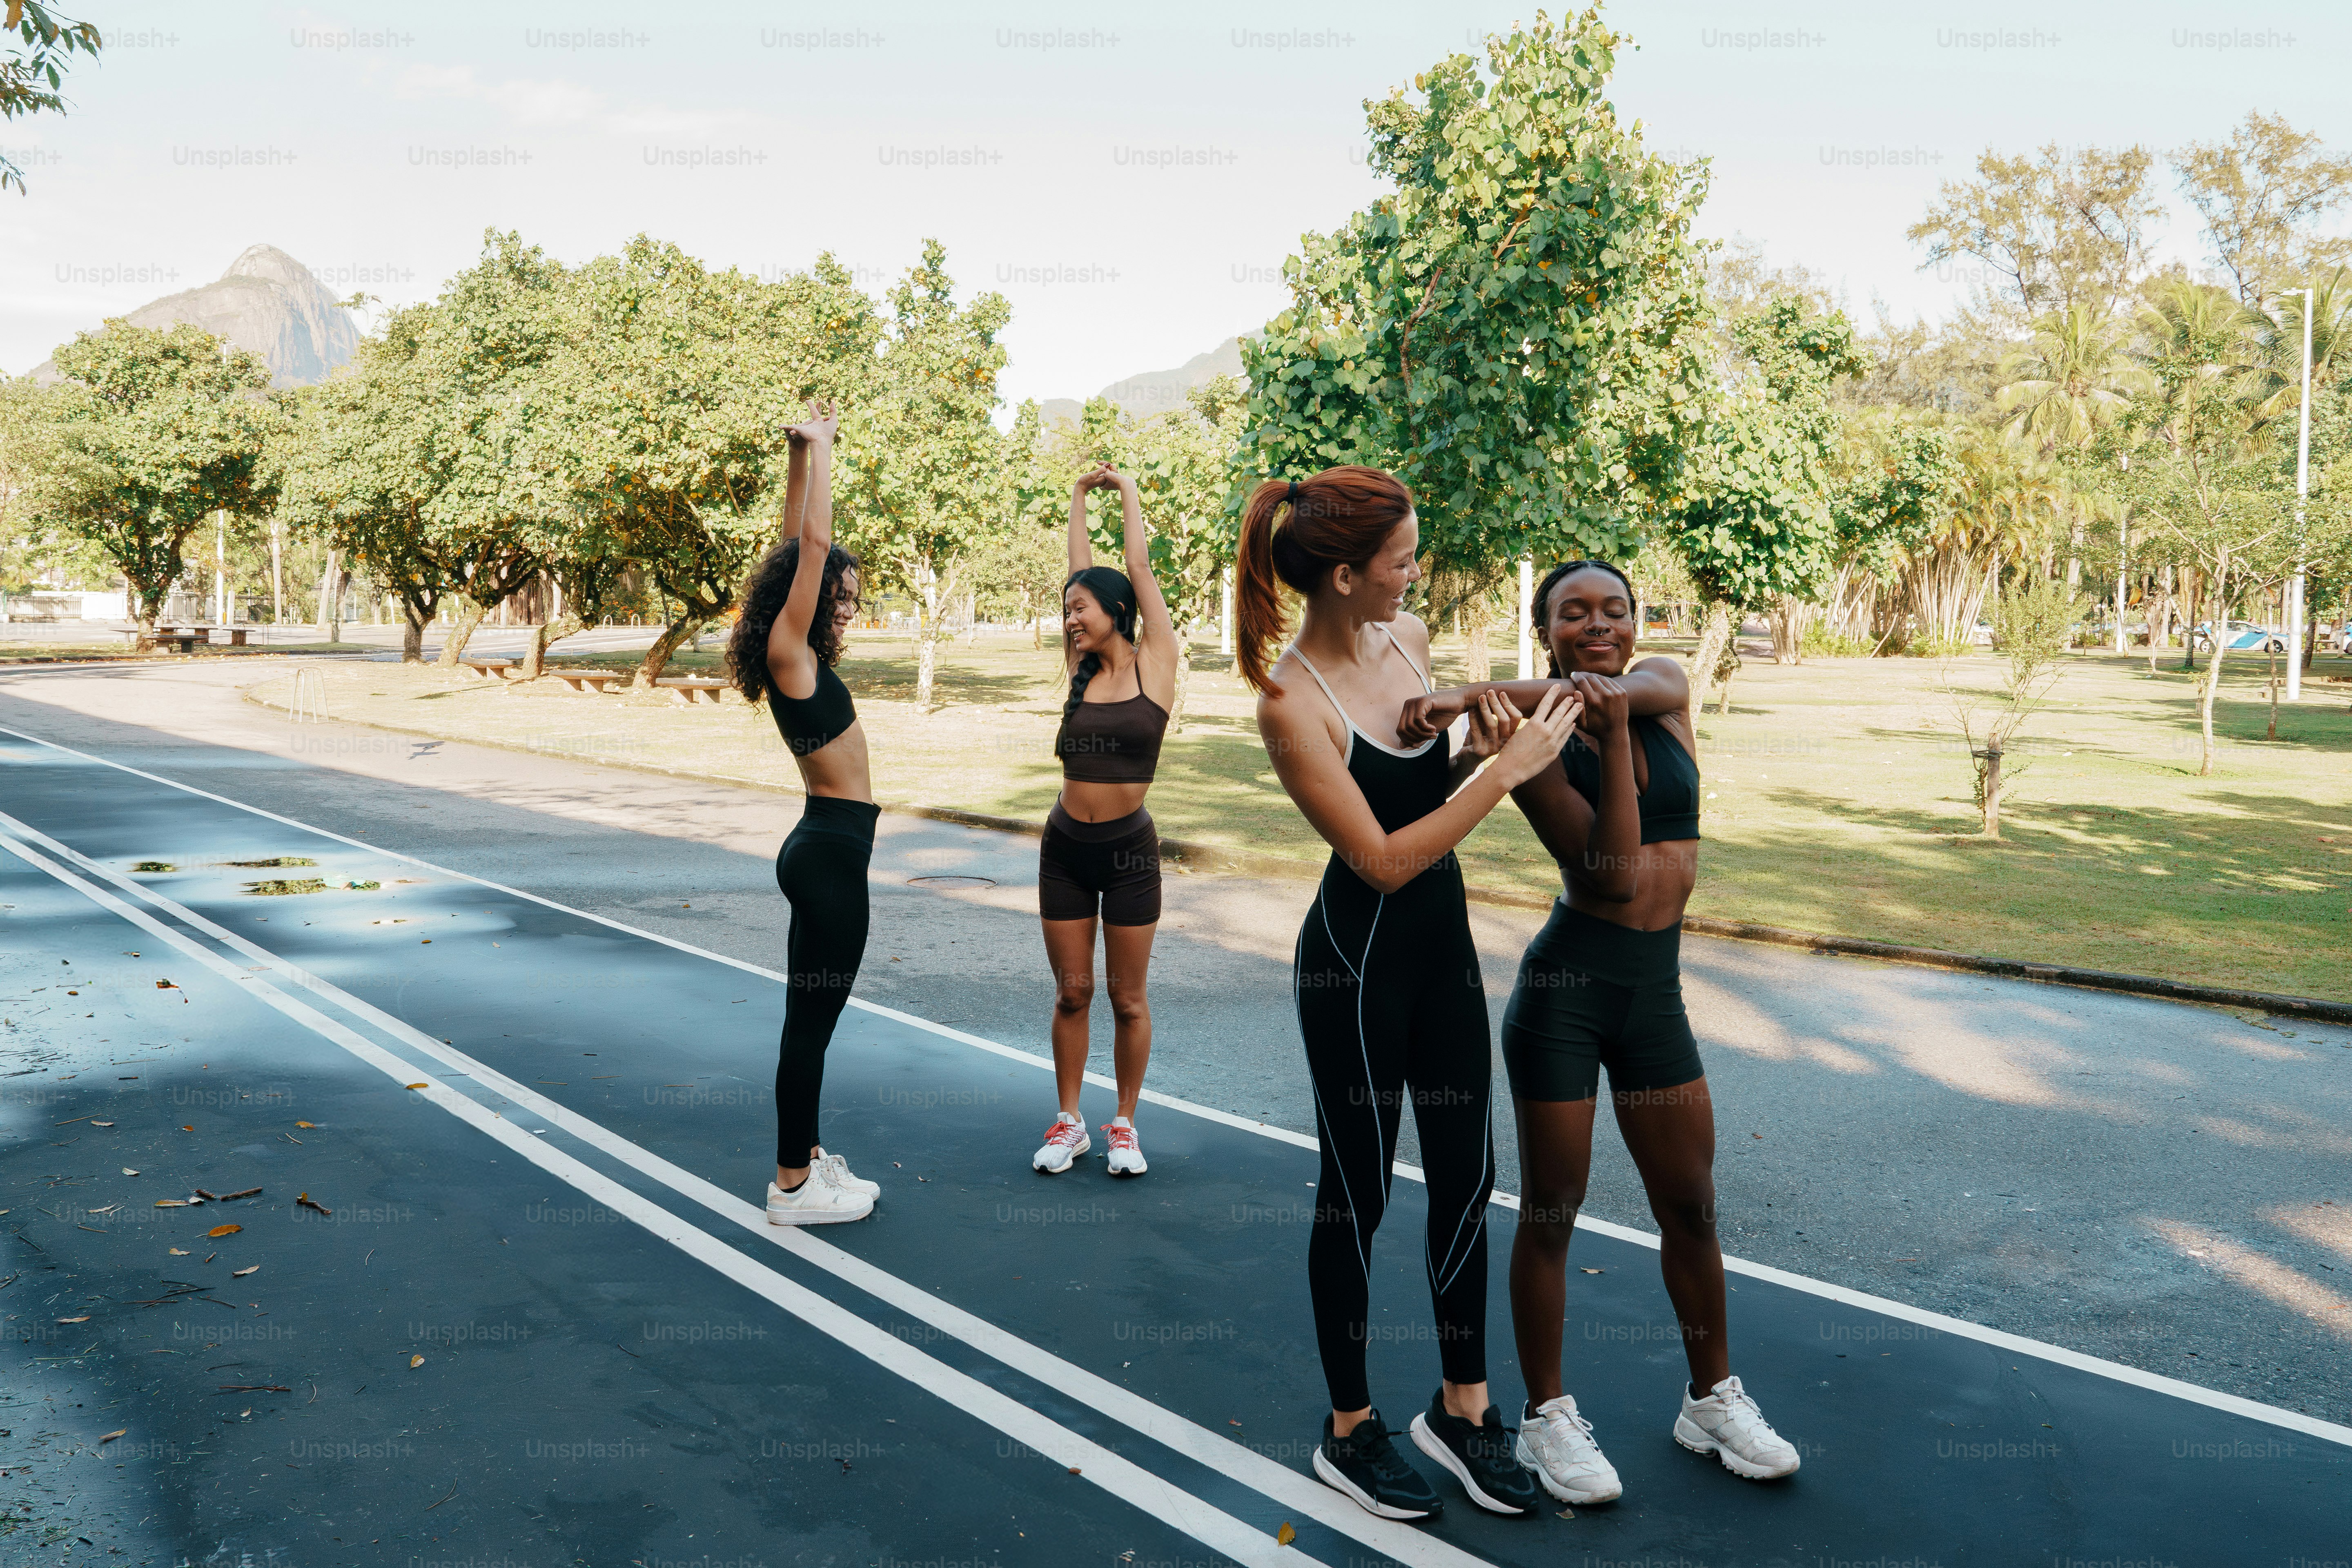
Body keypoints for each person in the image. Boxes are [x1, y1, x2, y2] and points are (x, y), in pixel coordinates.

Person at [1397, 559, 1804, 1503]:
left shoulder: (1663, 686)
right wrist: (1595, 735)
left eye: (1613, 610)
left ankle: (1712, 1400)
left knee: (1692, 1206)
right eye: (1573, 614)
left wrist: (1468, 694)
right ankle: (1547, 1420)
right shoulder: (1537, 746)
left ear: (1636, 621)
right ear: (1546, 634)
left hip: (1654, 997)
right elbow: (1614, 875)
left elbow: (1637, 689)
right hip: (1568, 997)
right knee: (1553, 1211)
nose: (1598, 625)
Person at [1238, 465, 1579, 1523]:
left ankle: (1464, 1410)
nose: (1415, 572)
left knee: (1466, 1178)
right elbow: (1382, 861)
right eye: (1400, 559)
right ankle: (1349, 1431)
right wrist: (1503, 773)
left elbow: (1424, 780)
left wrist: (1466, 744)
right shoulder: (1292, 703)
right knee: (1361, 1194)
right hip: (1355, 968)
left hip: (1441, 952)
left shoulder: (1411, 639)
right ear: (1344, 575)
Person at [726, 400, 881, 1225]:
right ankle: (792, 1186)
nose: (847, 605)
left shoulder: (800, 651)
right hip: (828, 854)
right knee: (810, 1031)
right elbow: (810, 548)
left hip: (828, 848)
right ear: (810, 600)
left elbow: (793, 547)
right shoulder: (791, 654)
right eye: (842, 596)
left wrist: (797, 457)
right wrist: (825, 448)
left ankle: (807, 1162)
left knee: (808, 1022)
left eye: (853, 597)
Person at [1032, 463, 1178, 1178]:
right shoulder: (1080, 662)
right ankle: (1070, 1122)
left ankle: (1123, 1123)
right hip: (1064, 847)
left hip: (1128, 853)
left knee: (1127, 997)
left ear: (1117, 612)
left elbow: (1138, 567)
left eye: (1082, 607)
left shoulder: (1157, 661)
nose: (1072, 617)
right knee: (1072, 991)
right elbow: (1079, 568)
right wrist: (1074, 495)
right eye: (1067, 609)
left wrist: (1124, 491)